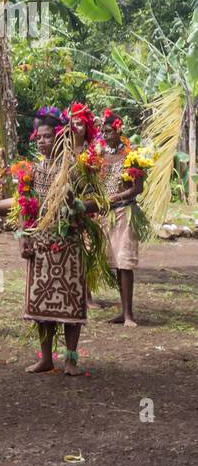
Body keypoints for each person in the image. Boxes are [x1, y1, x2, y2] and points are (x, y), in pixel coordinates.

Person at [12, 107, 108, 375]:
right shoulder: (32, 171)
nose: (42, 141)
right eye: (38, 137)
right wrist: (23, 238)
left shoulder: (75, 168)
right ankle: (46, 358)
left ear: (59, 136)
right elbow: (23, 206)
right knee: (41, 306)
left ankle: (71, 360)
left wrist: (77, 205)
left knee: (70, 305)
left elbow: (98, 202)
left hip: (69, 244)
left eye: (47, 136)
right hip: (40, 246)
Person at [97, 108, 149, 327]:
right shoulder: (100, 156)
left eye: (109, 130)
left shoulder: (132, 155)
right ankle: (122, 311)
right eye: (103, 131)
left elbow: (138, 188)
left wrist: (116, 196)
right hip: (106, 213)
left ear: (118, 130)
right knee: (116, 263)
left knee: (125, 263)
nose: (106, 134)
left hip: (125, 212)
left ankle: (128, 315)